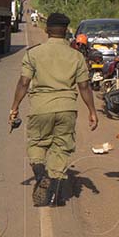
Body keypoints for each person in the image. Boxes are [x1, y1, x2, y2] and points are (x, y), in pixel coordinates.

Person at [10, 13, 98, 206]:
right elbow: (84, 87)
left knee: (37, 144)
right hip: (67, 108)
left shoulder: (33, 54)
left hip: (41, 107)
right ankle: (55, 190)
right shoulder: (76, 56)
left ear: (47, 30)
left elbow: (24, 82)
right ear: (66, 32)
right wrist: (92, 111)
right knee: (61, 147)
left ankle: (41, 175)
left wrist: (14, 108)